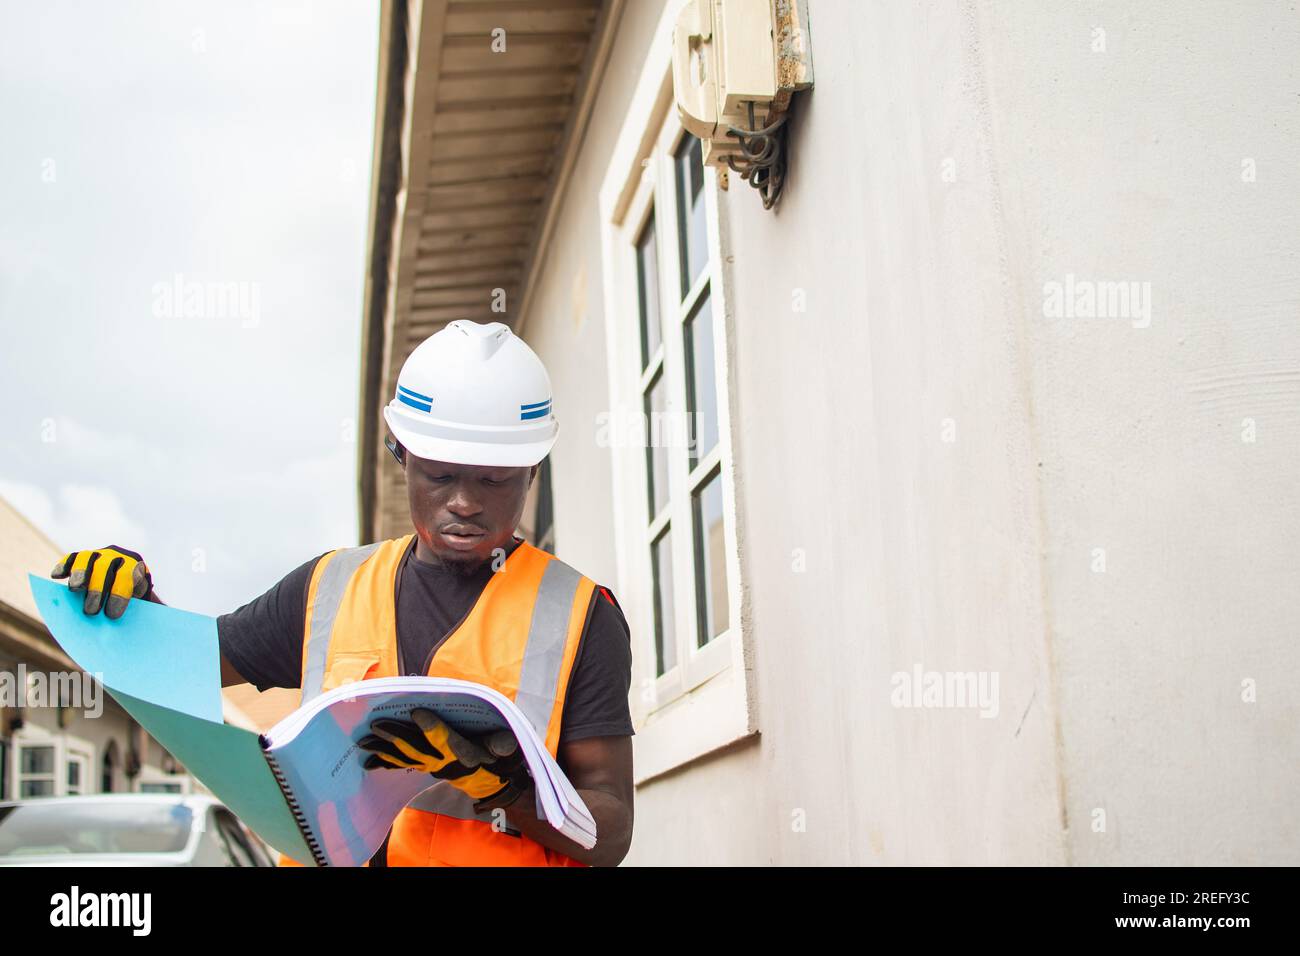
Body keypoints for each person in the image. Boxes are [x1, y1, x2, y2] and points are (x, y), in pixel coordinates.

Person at [50, 320, 635, 867]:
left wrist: (506, 791)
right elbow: (177, 668)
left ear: (532, 469)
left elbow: (608, 835)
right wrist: (129, 606)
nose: (464, 502)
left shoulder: (581, 616)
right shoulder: (327, 588)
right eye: (440, 475)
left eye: (493, 480)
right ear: (400, 455)